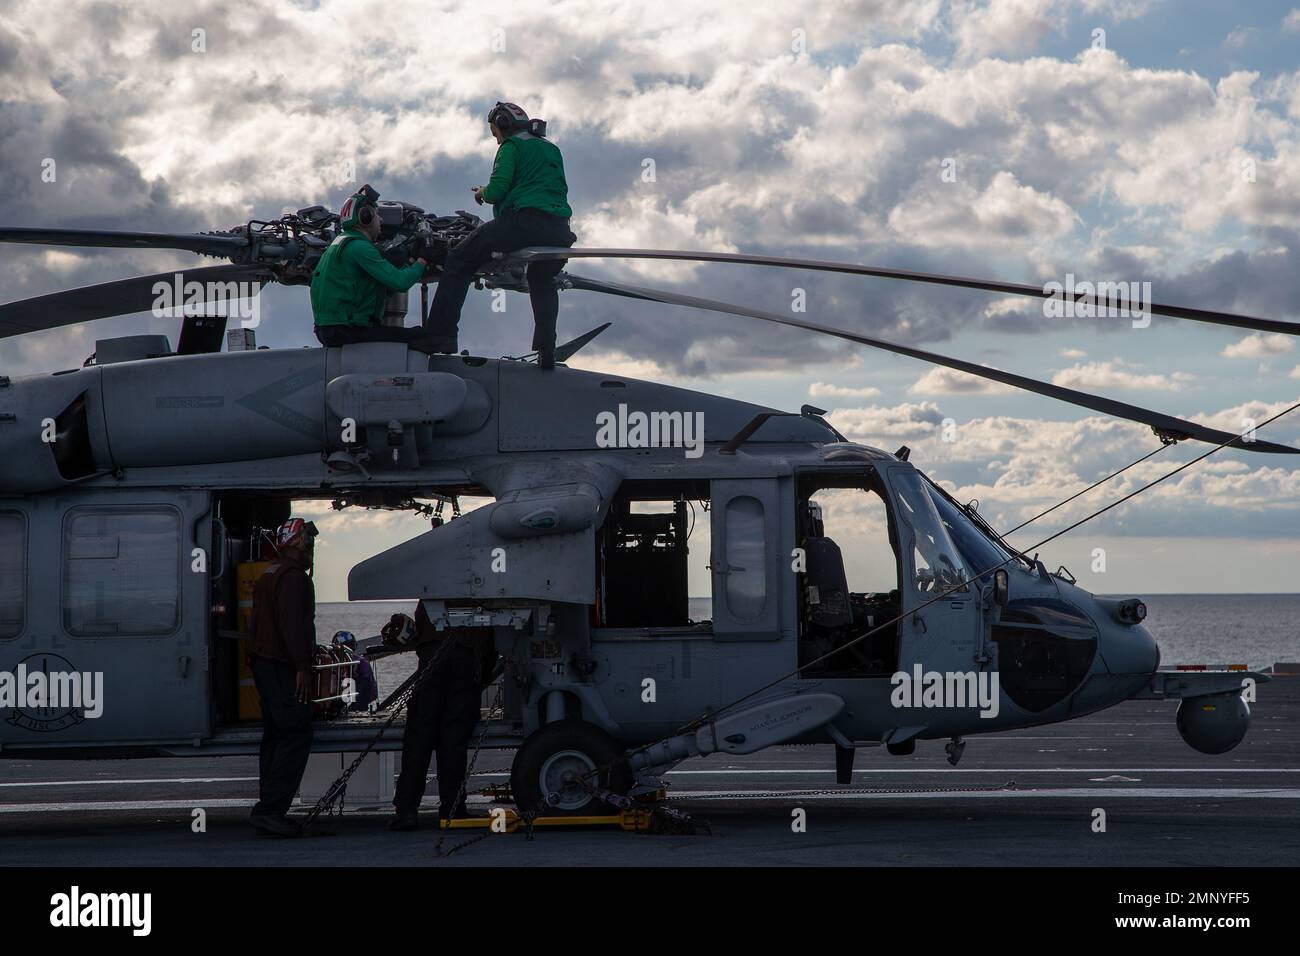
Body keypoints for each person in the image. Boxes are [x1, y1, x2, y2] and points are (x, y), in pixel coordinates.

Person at [424, 102, 576, 368]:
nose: (497, 140)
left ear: (504, 125)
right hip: (560, 231)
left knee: (458, 260)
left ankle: (439, 336)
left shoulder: (512, 147)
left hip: (524, 223)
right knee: (542, 279)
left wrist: (481, 192)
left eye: (495, 133)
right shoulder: (551, 148)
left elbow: (498, 190)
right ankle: (546, 349)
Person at [388, 602, 498, 831]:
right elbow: (489, 642)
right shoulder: (479, 593)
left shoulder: (431, 593)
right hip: (465, 662)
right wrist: (481, 678)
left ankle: (407, 811)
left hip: (433, 660)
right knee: (454, 742)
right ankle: (453, 808)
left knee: (419, 740)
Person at [247, 518, 320, 837]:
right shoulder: (293, 579)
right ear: (293, 543)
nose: (310, 547)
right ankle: (271, 810)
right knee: (294, 734)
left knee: (276, 738)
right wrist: (303, 666)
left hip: (267, 666)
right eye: (307, 541)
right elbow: (293, 626)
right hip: (282, 667)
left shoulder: (270, 573)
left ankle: (268, 808)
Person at [310, 184, 435, 350]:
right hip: (347, 331)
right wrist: (423, 260)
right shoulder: (360, 248)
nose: (381, 220)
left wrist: (411, 263)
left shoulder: (340, 243)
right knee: (423, 337)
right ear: (365, 217)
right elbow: (400, 283)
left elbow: (378, 287)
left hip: (332, 330)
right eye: (377, 215)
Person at [332, 630, 378, 711]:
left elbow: (366, 683)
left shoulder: (361, 662)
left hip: (358, 697)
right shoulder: (333, 662)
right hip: (342, 694)